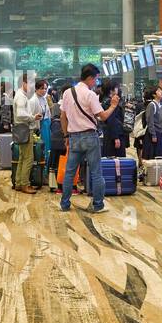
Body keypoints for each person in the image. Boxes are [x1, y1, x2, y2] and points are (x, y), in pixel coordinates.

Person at [58, 64, 119, 214]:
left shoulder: (67, 93)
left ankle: (65, 204)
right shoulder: (90, 95)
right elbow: (102, 116)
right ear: (90, 78)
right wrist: (113, 106)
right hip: (90, 137)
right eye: (96, 79)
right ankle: (98, 205)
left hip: (73, 137)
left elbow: (62, 117)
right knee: (96, 172)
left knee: (70, 173)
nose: (96, 83)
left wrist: (66, 135)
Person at [12, 74, 38, 194]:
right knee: (28, 158)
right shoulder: (21, 96)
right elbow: (21, 114)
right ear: (24, 83)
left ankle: (18, 183)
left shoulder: (19, 95)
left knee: (22, 157)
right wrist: (33, 117)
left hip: (20, 129)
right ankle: (25, 184)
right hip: (25, 129)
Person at [99, 79, 127, 158]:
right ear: (111, 90)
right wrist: (116, 137)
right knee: (115, 159)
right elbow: (112, 120)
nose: (118, 89)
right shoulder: (110, 102)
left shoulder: (107, 101)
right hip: (113, 136)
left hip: (111, 134)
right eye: (117, 87)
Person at [140, 86, 162, 160]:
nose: (161, 92)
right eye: (159, 91)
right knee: (152, 157)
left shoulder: (159, 105)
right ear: (154, 94)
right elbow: (150, 121)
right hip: (153, 134)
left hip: (159, 133)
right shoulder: (152, 105)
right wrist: (153, 135)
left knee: (159, 156)